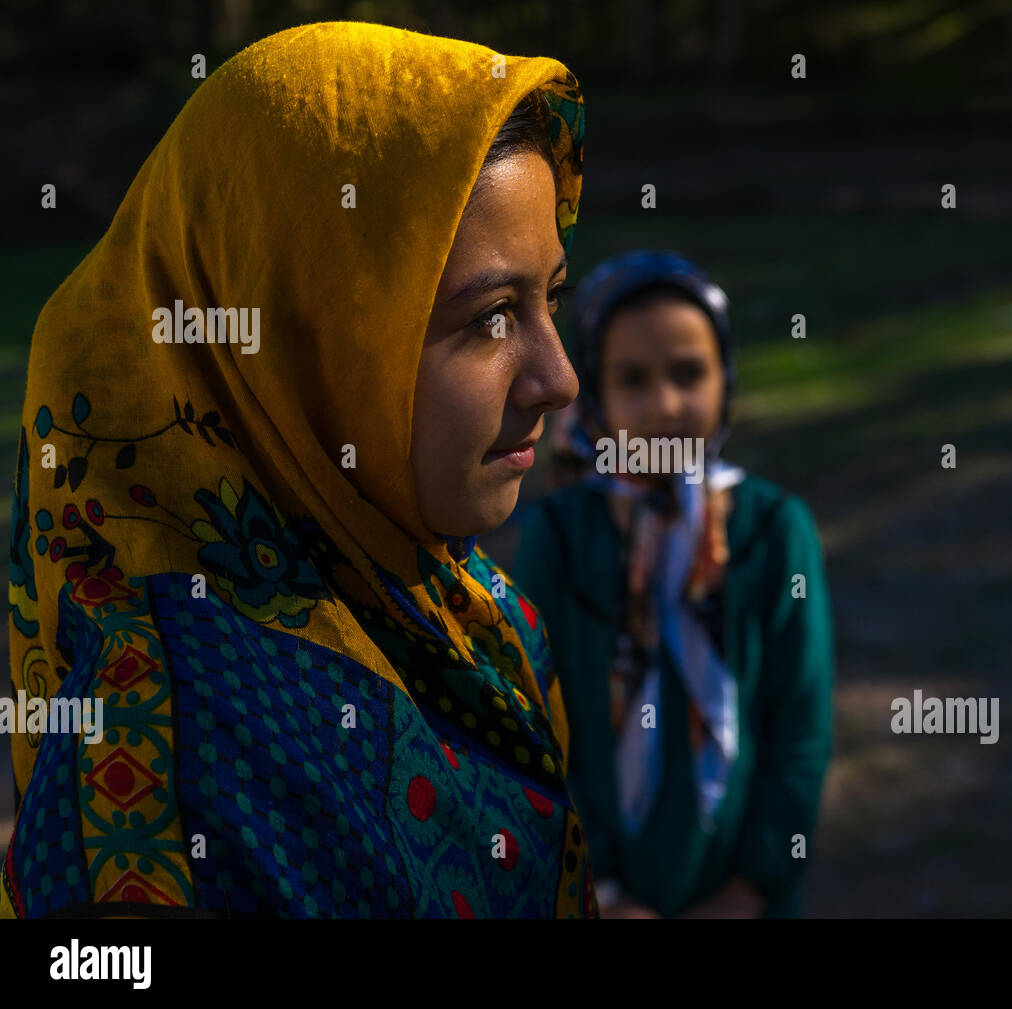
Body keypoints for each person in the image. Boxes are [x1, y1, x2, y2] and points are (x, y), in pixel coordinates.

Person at [2, 22, 597, 918]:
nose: (561, 379)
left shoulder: (473, 610)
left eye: (551, 297)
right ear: (305, 338)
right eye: (490, 316)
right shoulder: (159, 763)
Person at [512, 251, 835, 918]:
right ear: (595, 394)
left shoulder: (774, 529)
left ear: (727, 380)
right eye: (632, 379)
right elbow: (537, 729)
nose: (664, 405)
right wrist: (601, 888)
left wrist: (751, 887)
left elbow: (800, 730)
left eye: (689, 374)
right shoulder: (560, 535)